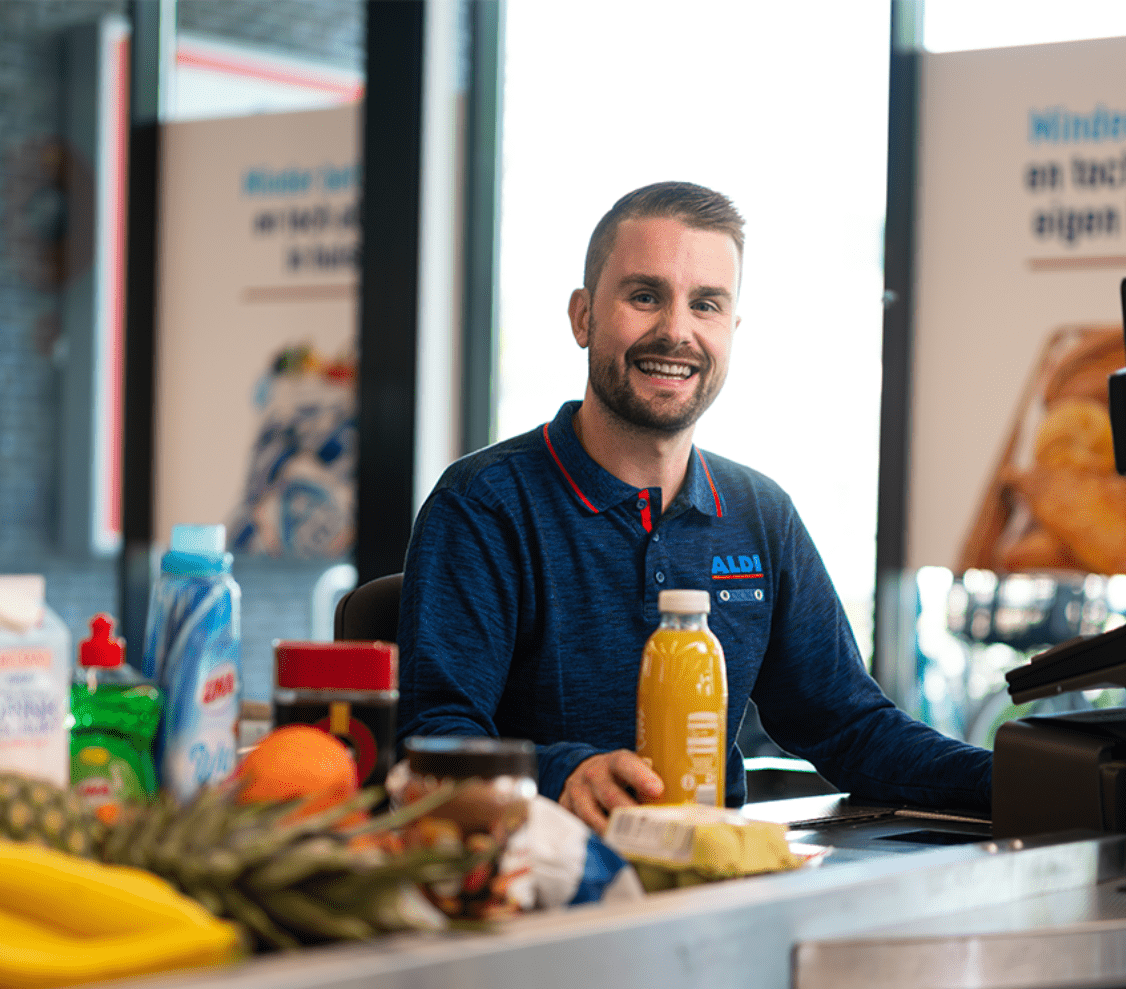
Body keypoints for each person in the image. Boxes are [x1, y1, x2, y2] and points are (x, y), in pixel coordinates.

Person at [396, 181, 991, 832]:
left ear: (731, 329)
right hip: (536, 876)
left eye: (705, 304)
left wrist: (1023, 780)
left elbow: (851, 729)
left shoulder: (760, 514)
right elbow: (433, 744)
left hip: (711, 879)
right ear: (583, 317)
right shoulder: (484, 505)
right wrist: (563, 772)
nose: (676, 331)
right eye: (644, 296)